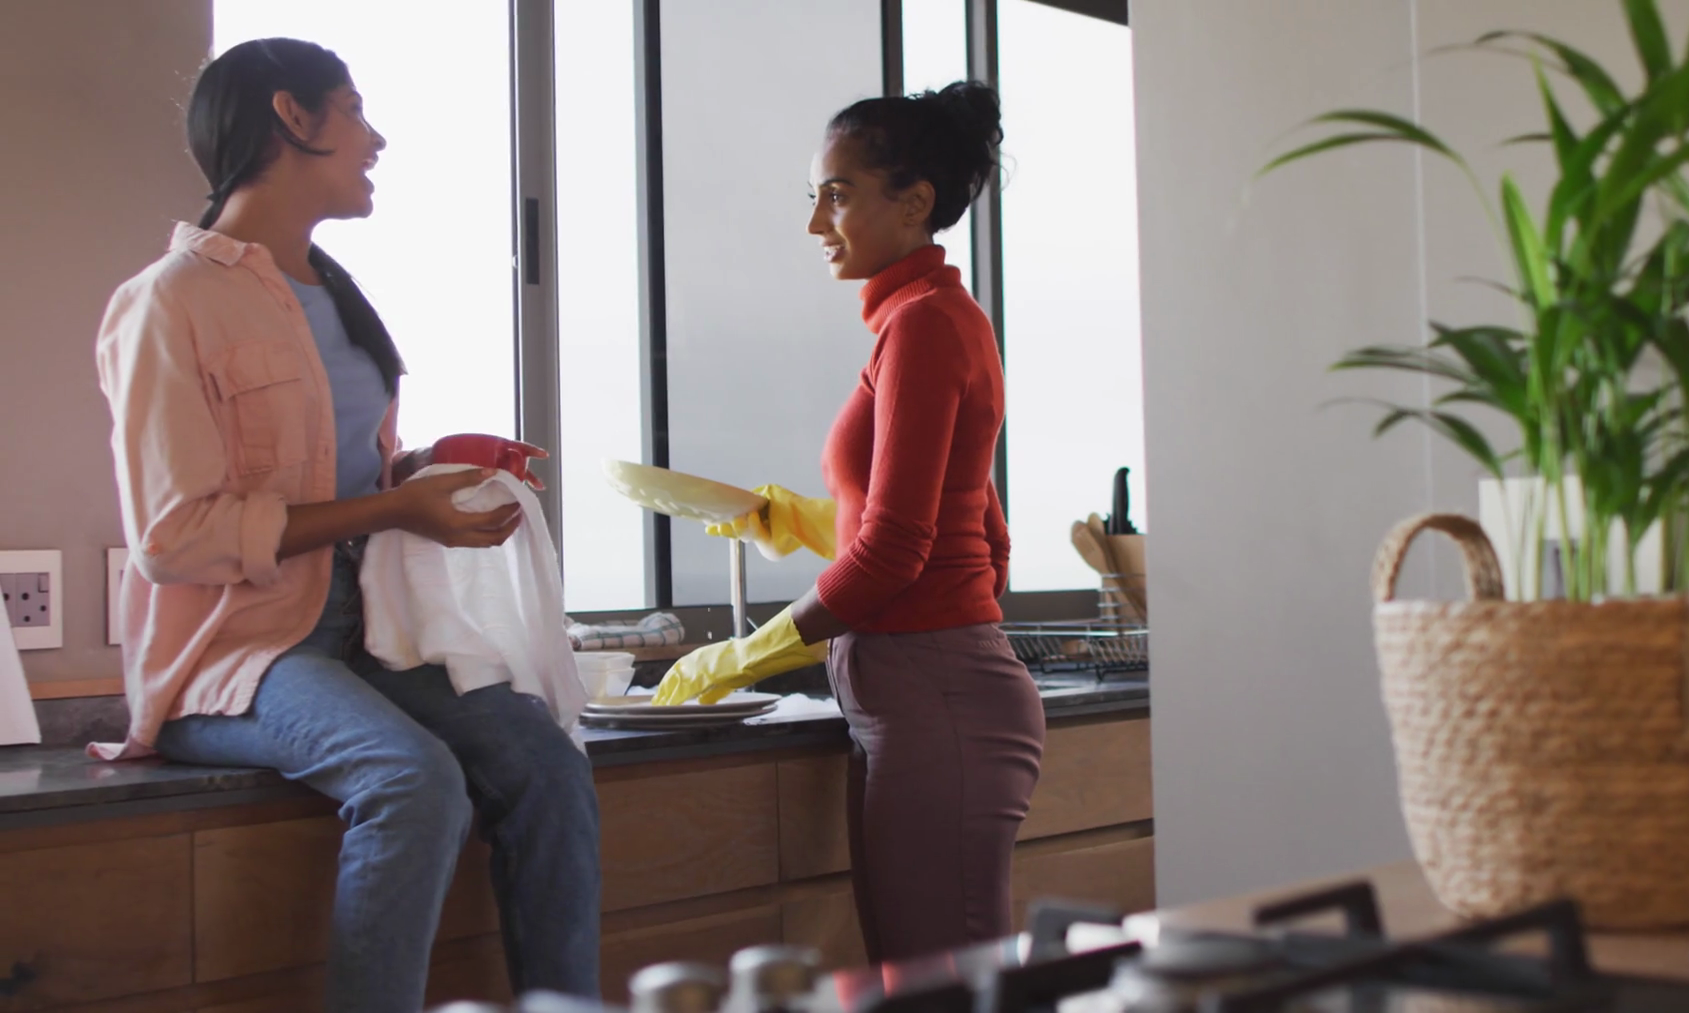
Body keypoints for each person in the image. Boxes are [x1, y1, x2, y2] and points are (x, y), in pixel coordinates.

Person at [93, 38, 600, 1013]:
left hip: (364, 637)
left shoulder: (330, 299)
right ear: (292, 115)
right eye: (356, 110)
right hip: (226, 662)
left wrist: (431, 467)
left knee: (547, 760)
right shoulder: (166, 302)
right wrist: (395, 505)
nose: (376, 137)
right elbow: (173, 533)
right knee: (414, 780)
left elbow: (346, 479)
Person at [650, 81, 1044, 964]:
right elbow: (974, 528)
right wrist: (800, 521)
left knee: (948, 983)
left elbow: (905, 549)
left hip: (934, 693)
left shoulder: (924, 327)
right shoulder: (928, 319)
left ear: (913, 204)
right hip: (918, 691)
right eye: (815, 196)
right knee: (919, 975)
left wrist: (745, 652)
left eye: (838, 193)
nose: (816, 222)